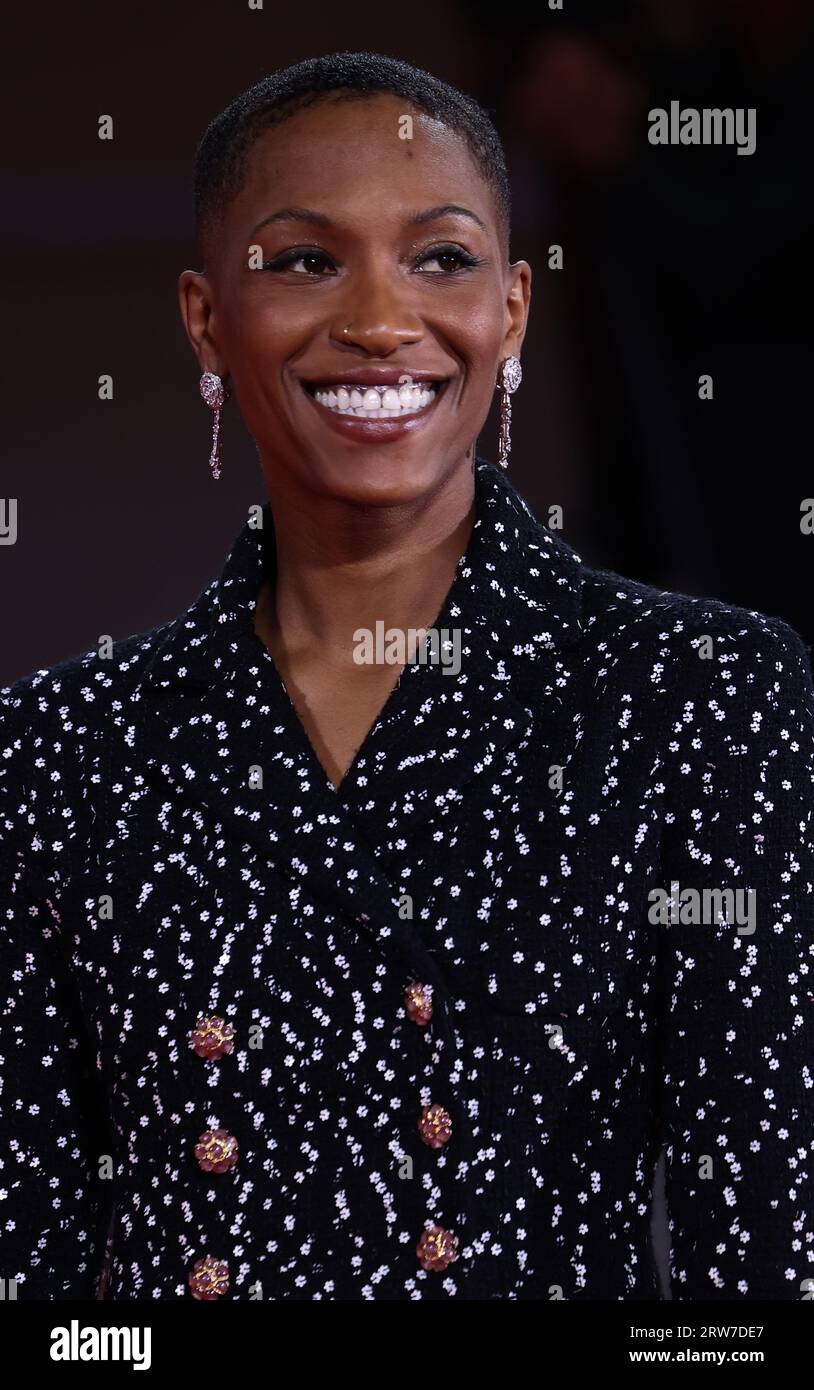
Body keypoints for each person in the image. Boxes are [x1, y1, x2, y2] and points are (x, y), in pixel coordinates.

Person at [1, 51, 812, 1302]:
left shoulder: (700, 696)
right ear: (206, 318)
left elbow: (758, 1270)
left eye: (441, 258)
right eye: (304, 260)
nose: (381, 318)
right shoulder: (58, 749)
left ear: (513, 310)